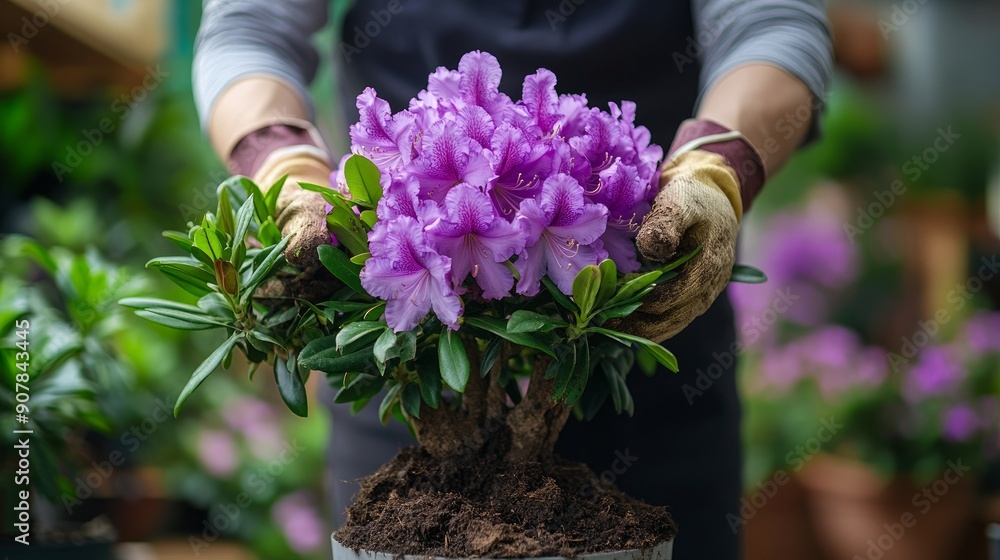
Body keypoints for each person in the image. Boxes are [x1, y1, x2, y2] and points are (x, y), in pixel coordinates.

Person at [193, 1, 832, 558]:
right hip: (415, 370)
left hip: (653, 337)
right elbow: (248, 26)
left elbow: (773, 21)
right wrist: (281, 159)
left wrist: (719, 165)